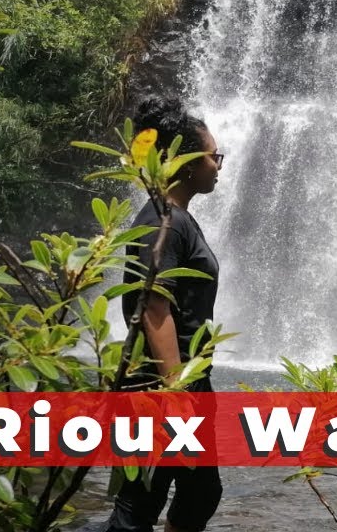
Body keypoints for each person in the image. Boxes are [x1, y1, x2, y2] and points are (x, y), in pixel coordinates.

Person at [106, 97, 224, 532]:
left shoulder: (176, 219)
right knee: (139, 504)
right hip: (161, 384)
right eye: (214, 156)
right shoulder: (164, 224)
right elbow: (156, 307)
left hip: (189, 377)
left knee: (200, 491)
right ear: (188, 162)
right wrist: (176, 391)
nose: (219, 165)